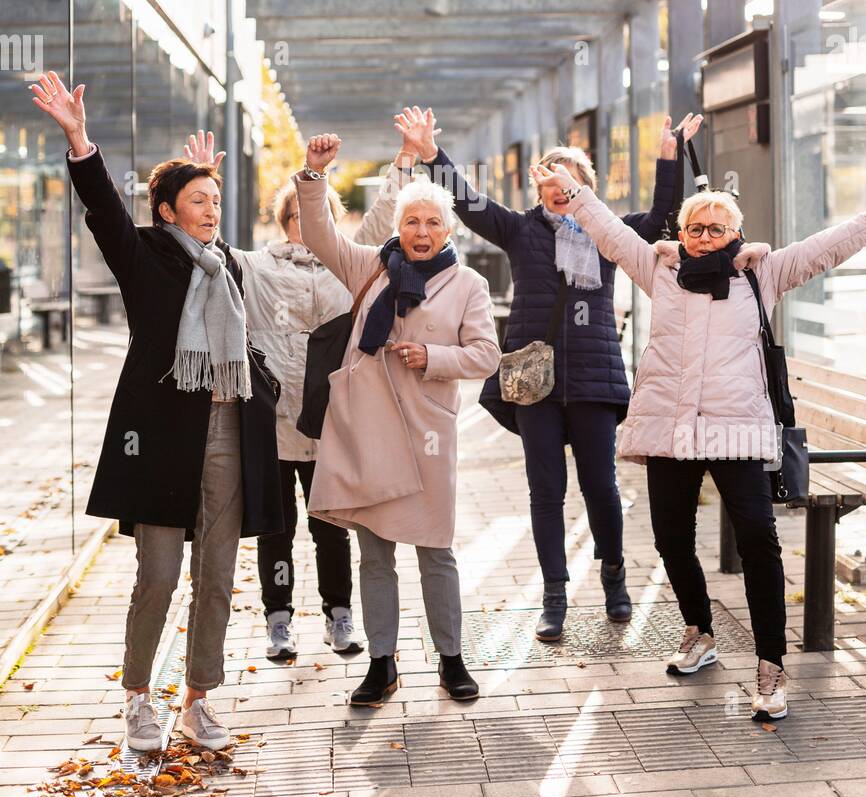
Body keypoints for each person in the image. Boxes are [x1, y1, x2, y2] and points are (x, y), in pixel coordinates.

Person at [529, 163, 866, 720]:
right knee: (670, 539)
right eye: (695, 227)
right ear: (681, 233)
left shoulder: (765, 273)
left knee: (759, 540)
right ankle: (700, 632)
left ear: (737, 232)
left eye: (716, 227)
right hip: (670, 429)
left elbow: (826, 247)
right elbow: (611, 234)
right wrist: (576, 193)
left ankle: (770, 665)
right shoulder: (658, 268)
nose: (705, 236)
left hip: (737, 431)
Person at [31, 73, 282, 753]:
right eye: (197, 200)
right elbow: (106, 213)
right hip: (164, 437)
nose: (210, 209)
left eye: (216, 199)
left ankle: (200, 699)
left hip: (229, 426)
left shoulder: (223, 264)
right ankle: (138, 697)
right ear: (166, 211)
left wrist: (198, 170)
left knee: (220, 577)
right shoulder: (143, 259)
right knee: (160, 574)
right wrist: (80, 141)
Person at [400, 104, 701, 640]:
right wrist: (430, 154)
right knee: (546, 491)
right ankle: (554, 595)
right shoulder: (519, 231)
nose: (560, 190)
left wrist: (667, 157)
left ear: (583, 187)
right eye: (550, 180)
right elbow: (470, 204)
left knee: (601, 487)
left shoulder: (610, 234)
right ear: (539, 189)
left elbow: (661, 219)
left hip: (594, 378)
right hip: (533, 381)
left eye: (571, 181)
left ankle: (613, 577)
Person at [182, 129, 419, 662]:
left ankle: (339, 614)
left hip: (329, 421)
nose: (306, 229)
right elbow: (205, 247)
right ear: (284, 221)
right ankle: (279, 619)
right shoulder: (256, 267)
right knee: (277, 528)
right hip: (270, 421)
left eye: (317, 219)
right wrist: (198, 180)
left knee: (331, 524)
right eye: (297, 219)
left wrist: (404, 158)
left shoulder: (346, 267)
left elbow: (381, 221)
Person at [294, 131, 501, 707]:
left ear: (448, 231)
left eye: (433, 222)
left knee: (436, 549)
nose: (421, 232)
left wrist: (433, 358)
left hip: (430, 433)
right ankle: (381, 664)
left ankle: (451, 658)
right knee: (375, 552)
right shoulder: (368, 266)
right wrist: (314, 176)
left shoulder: (468, 285)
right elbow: (318, 233)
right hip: (367, 430)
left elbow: (486, 355)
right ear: (398, 228)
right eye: (412, 221)